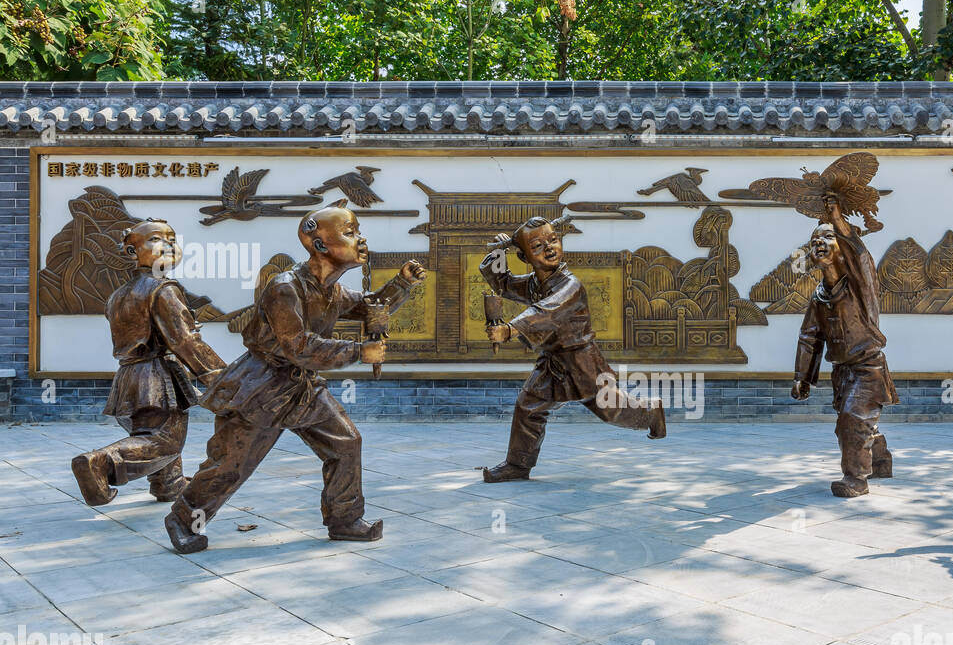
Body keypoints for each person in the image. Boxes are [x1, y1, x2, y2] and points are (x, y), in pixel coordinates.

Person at [165, 202, 423, 553]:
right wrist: (358, 351)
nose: (361, 240)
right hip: (262, 387)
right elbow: (299, 346)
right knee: (231, 465)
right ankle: (183, 520)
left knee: (345, 443)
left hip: (302, 387)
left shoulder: (332, 291)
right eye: (351, 233)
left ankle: (345, 520)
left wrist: (402, 283)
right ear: (320, 245)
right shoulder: (285, 288)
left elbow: (372, 307)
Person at [477, 216, 666, 483]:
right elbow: (503, 284)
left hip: (581, 363)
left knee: (611, 411)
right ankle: (517, 465)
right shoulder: (533, 283)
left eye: (553, 240)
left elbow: (546, 313)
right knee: (528, 407)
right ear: (524, 256)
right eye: (538, 246)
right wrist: (499, 252)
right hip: (552, 362)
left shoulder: (570, 286)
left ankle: (651, 412)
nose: (549, 248)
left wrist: (509, 330)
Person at [71, 219, 225, 506]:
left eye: (172, 239)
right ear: (132, 251)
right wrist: (221, 377)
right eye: (156, 239)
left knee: (158, 431)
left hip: (130, 375)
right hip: (155, 375)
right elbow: (185, 341)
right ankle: (101, 463)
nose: (167, 245)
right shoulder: (163, 289)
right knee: (164, 441)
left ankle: (169, 484)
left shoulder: (118, 295)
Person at [790, 197, 899, 497]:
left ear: (843, 248)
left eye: (828, 237)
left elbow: (861, 256)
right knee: (851, 423)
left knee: (852, 419)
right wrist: (802, 377)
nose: (819, 243)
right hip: (842, 372)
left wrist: (838, 219)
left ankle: (856, 479)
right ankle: (879, 458)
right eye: (814, 240)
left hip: (867, 369)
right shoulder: (819, 297)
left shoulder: (862, 287)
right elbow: (810, 337)